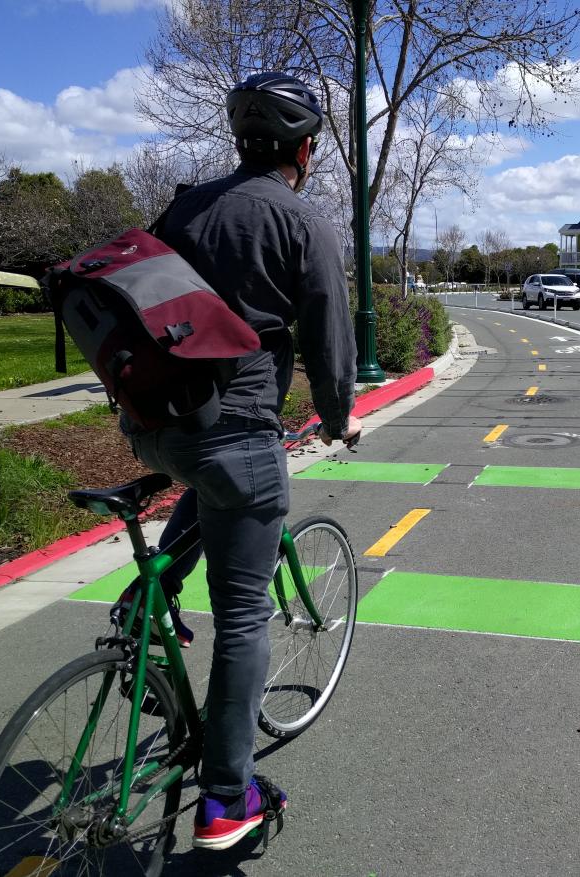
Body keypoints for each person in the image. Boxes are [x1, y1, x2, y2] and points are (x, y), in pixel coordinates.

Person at [124, 72, 362, 851]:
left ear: (240, 141)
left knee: (209, 490)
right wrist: (337, 418)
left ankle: (144, 602)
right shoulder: (300, 221)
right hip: (236, 434)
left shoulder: (184, 206)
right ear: (305, 149)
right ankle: (228, 797)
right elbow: (330, 342)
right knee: (244, 616)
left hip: (155, 425)